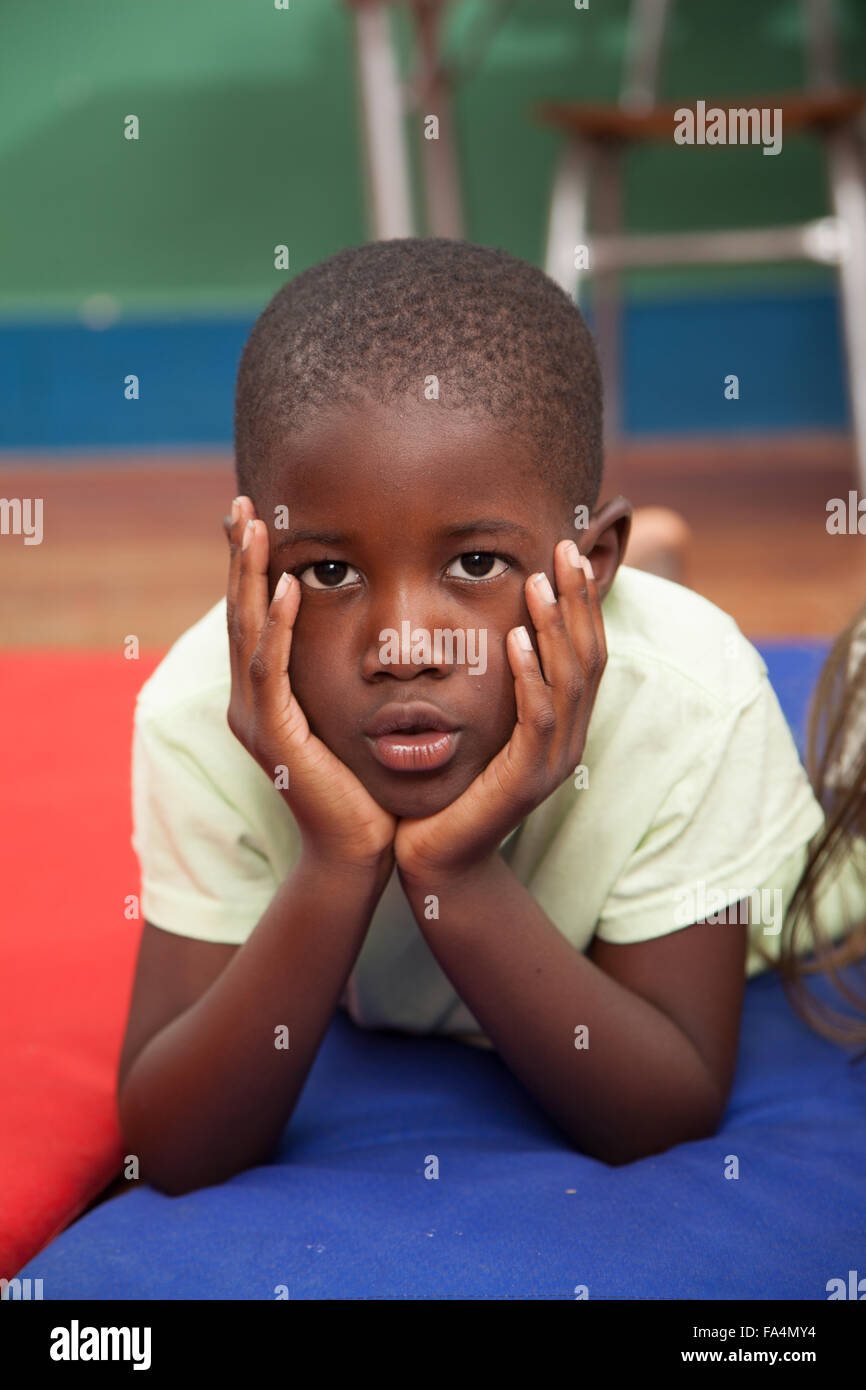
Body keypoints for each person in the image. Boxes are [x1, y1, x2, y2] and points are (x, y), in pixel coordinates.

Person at [117, 237, 864, 1197]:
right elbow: (169, 1149)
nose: (403, 646)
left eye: (474, 565)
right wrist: (340, 859)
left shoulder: (695, 701)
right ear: (252, 564)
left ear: (588, 563)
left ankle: (643, 591)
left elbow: (665, 1108)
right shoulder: (202, 711)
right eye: (329, 572)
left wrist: (449, 872)